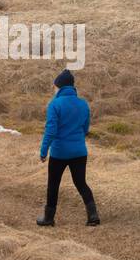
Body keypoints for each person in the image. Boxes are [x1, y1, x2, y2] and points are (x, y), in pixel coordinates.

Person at [37, 69, 99, 227]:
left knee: (53, 184)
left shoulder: (54, 104)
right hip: (79, 151)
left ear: (59, 87)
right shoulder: (83, 104)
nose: (53, 89)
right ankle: (93, 215)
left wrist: (43, 152)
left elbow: (50, 131)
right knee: (80, 182)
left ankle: (49, 218)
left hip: (59, 153)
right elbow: (85, 128)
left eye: (54, 86)